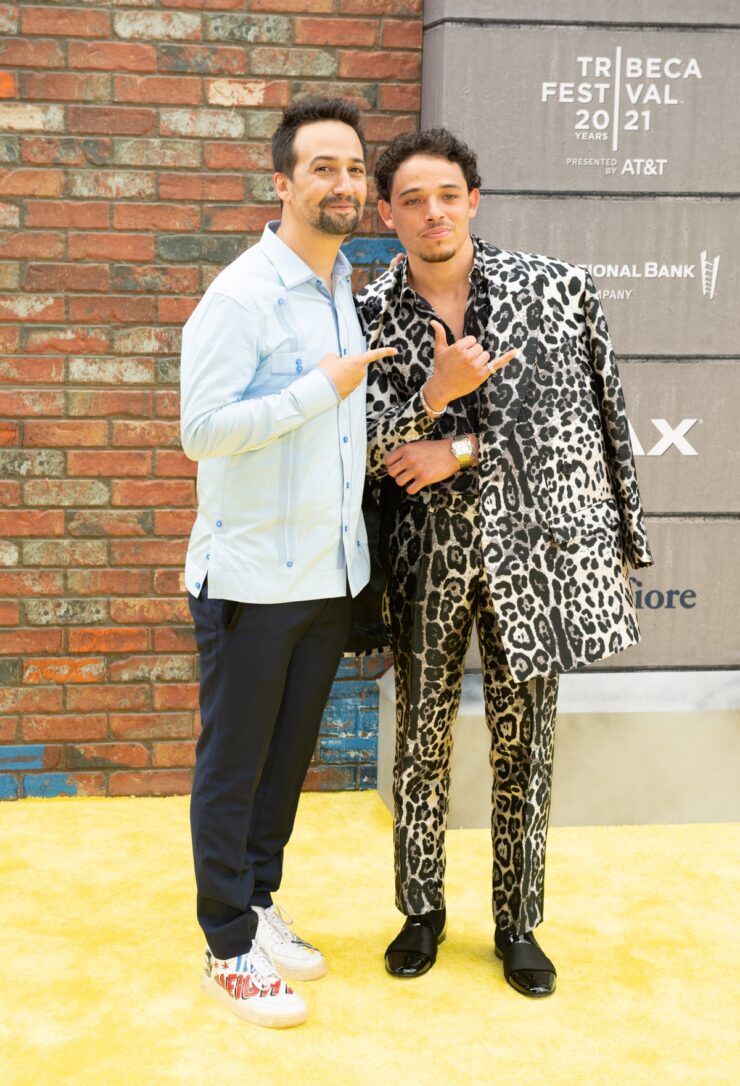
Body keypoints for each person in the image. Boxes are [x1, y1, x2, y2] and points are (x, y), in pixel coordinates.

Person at [355, 129, 652, 997]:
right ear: (388, 214)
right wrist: (427, 399)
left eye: (446, 194)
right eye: (411, 199)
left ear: (473, 200)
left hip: (533, 548)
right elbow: (354, 447)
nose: (432, 212)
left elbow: (583, 424)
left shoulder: (556, 290)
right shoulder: (368, 312)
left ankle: (518, 923)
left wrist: (460, 445)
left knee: (526, 741)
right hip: (424, 552)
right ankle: (422, 911)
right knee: (419, 739)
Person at [180, 96, 395, 1028]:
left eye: (354, 168)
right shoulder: (241, 295)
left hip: (325, 574)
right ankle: (227, 945)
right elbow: (202, 432)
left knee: (284, 762)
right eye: (323, 168)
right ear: (282, 183)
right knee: (234, 765)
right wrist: (319, 389)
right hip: (252, 579)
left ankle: (258, 901)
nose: (343, 183)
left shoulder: (341, 283)